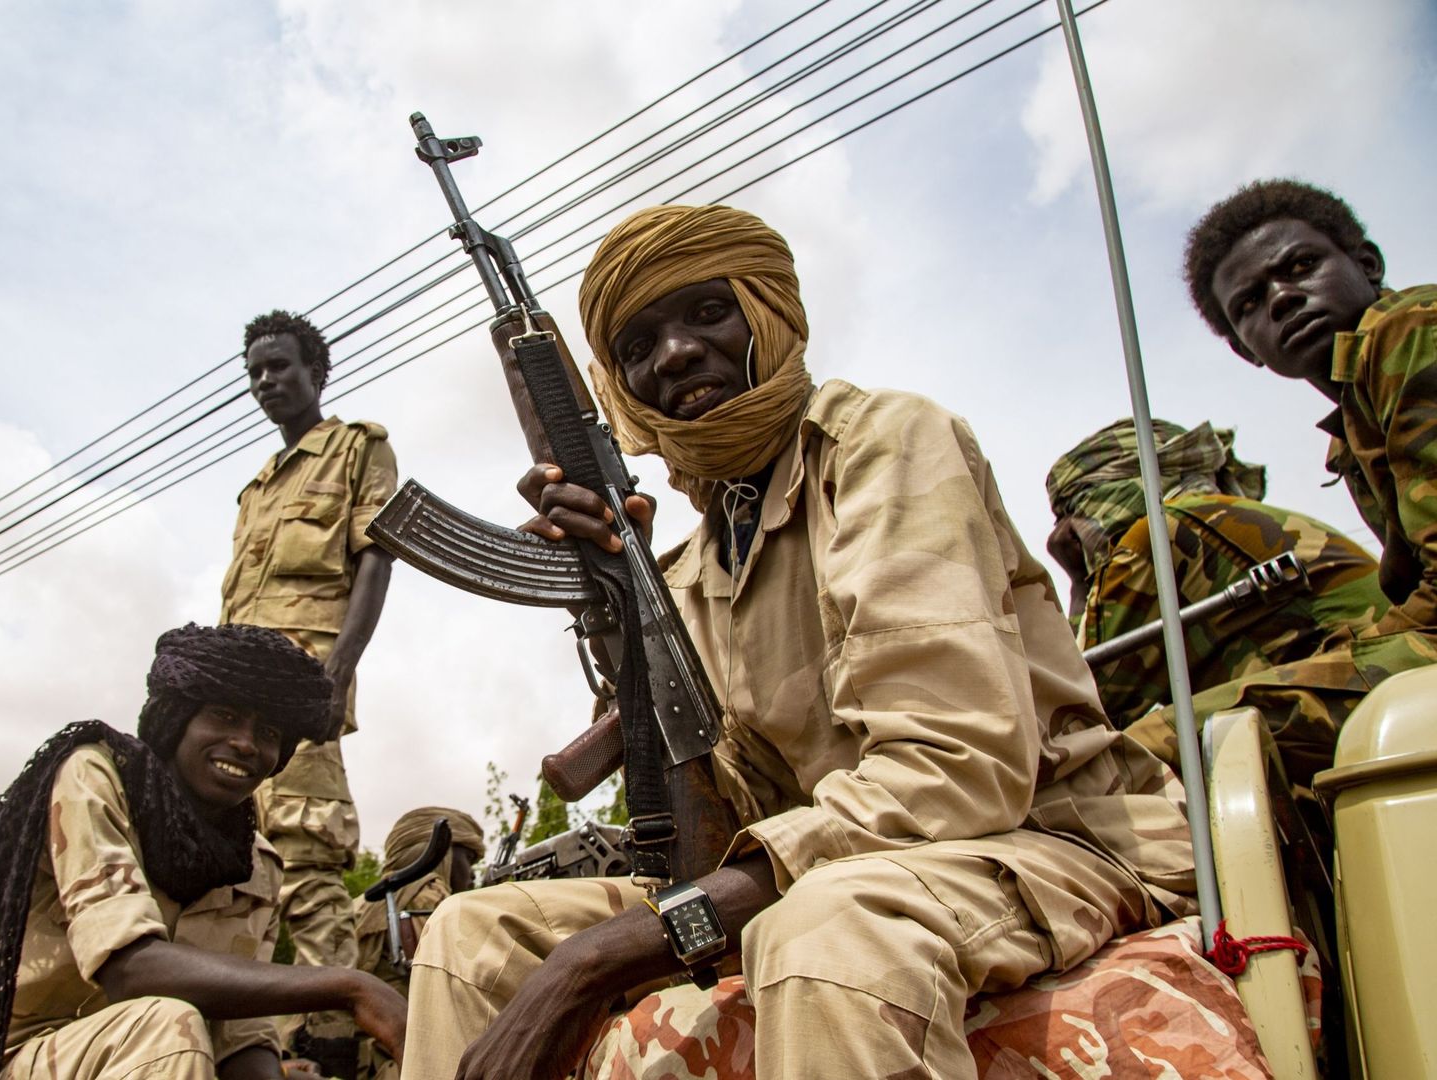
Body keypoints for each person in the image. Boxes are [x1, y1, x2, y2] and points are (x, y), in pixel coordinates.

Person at [401, 205, 1196, 1080]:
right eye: (637, 347)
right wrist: (620, 605)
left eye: (707, 314)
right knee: (468, 935)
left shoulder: (884, 443)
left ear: (768, 313)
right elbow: (721, 829)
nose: (672, 354)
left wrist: (589, 961)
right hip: (840, 861)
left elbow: (957, 771)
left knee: (822, 927)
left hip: (1046, 837)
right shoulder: (693, 566)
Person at [0, 624, 405, 1080]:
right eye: (224, 716)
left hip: (137, 1059)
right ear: (175, 720)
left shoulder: (257, 864)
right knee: (166, 1021)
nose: (247, 744)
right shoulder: (98, 776)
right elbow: (131, 968)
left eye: (268, 733)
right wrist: (351, 986)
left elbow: (240, 1040)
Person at [1160, 178, 1437, 776]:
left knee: (1171, 739)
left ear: (1366, 263)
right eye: (1251, 304)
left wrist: (1350, 652)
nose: (1282, 298)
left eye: (1303, 265)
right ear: (1246, 350)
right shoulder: (1351, 429)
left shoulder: (1410, 329)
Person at [221, 310, 397, 1041]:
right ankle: (261, 1033)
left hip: (301, 687)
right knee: (233, 865)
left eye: (280, 366)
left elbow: (378, 557)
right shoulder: (254, 489)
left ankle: (345, 1036)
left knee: (303, 853)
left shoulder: (357, 448)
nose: (266, 382)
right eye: (255, 372)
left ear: (315, 372)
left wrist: (335, 672)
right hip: (228, 696)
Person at [1046, 418, 1388, 734]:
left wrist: (1079, 582)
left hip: (1365, 696)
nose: (1062, 532)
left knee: (1125, 755)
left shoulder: (1161, 535)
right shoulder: (1217, 516)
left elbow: (1075, 706)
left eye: (1070, 512)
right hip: (1376, 689)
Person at [353, 808, 485, 996]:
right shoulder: (427, 895)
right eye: (469, 859)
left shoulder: (367, 900)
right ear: (442, 854)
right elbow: (466, 979)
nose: (472, 873)